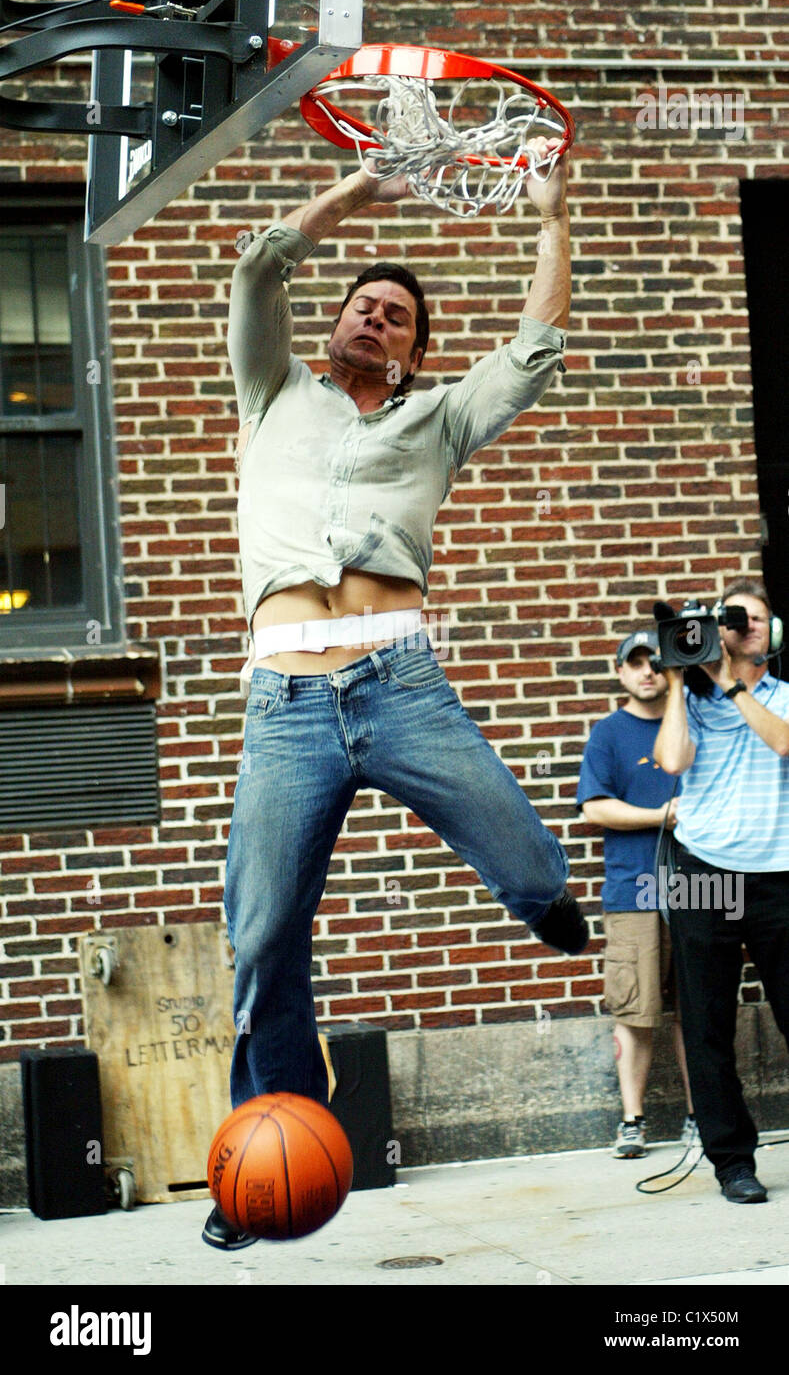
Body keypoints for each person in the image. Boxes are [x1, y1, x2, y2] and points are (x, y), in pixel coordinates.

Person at [203, 139, 588, 1250]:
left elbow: (533, 348)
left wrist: (550, 217)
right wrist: (356, 194)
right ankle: (259, 1152)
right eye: (363, 306)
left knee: (527, 866)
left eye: (397, 317)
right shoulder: (271, 390)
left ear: (417, 354)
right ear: (334, 327)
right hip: (283, 705)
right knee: (265, 934)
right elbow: (255, 268)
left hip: (401, 682)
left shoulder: (437, 421)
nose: (375, 319)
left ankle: (542, 897)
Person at [653, 578, 789, 1203]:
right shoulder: (695, 702)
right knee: (707, 1022)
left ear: (773, 631)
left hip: (778, 874)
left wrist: (732, 681)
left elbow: (782, 741)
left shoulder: (783, 697)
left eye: (755, 618)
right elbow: (673, 761)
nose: (744, 628)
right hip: (704, 871)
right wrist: (682, 679)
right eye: (734, 620)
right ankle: (732, 1161)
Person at [577, 630, 696, 1159]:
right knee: (635, 1011)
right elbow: (594, 809)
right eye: (637, 663)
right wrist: (661, 816)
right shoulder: (608, 734)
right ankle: (633, 1121)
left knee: (698, 1010)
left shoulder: (696, 723)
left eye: (656, 662)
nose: (648, 671)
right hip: (634, 892)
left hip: (700, 888)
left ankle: (702, 1117)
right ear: (621, 673)